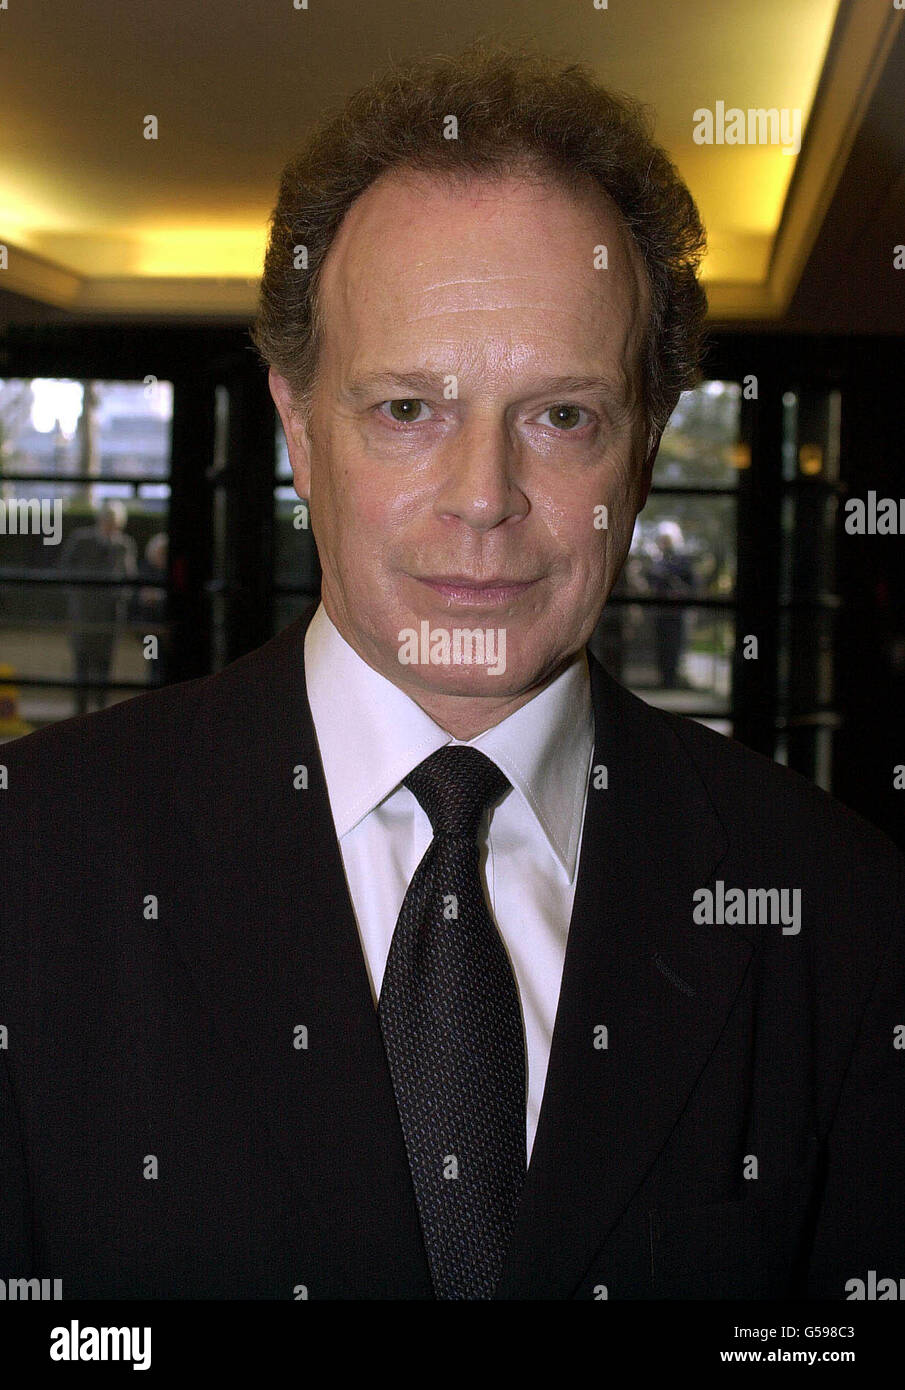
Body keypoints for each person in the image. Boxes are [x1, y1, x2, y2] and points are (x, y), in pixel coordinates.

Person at [1, 43, 903, 1301]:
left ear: (641, 450)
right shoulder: (32, 857)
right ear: (296, 429)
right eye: (406, 411)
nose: (484, 498)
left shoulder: (837, 910)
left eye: (562, 416)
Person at [58, 499, 137, 715]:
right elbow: (66, 571)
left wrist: (120, 597)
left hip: (110, 616)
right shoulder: (81, 540)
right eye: (108, 522)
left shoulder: (123, 545)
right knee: (82, 665)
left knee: (104, 666)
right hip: (83, 615)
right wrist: (77, 599)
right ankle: (80, 713)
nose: (111, 528)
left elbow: (129, 578)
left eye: (115, 524)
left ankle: (101, 713)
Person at [645, 520, 696, 687]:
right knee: (663, 645)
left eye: (666, 540)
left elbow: (690, 584)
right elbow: (652, 582)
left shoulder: (681, 562)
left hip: (675, 612)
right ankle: (665, 678)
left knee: (674, 645)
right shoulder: (658, 562)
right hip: (662, 611)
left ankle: (670, 678)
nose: (664, 544)